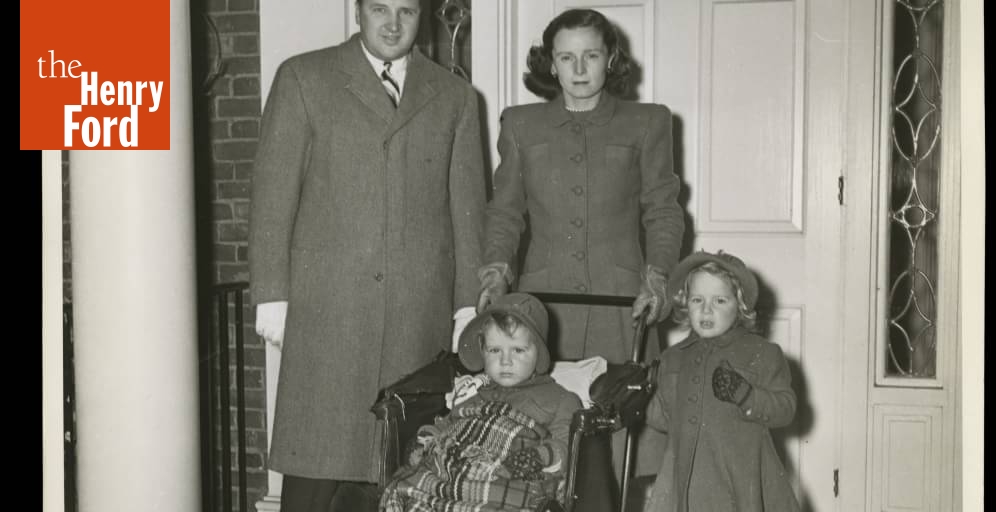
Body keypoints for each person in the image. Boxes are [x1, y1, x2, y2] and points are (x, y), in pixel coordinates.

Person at [247, 0, 486, 510]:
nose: (393, 24)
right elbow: (272, 195)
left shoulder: (456, 97)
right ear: (357, 12)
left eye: (406, 10)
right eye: (379, 8)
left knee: (402, 471)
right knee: (316, 466)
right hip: (327, 312)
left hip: (415, 316)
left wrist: (467, 304)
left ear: (422, 16)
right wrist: (272, 293)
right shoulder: (304, 78)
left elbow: (469, 215)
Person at [474, 8, 686, 509]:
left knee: (618, 445)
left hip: (623, 309)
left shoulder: (647, 122)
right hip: (545, 314)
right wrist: (496, 272)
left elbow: (663, 210)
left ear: (610, 58)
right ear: (551, 63)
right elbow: (505, 213)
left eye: (591, 55)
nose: (580, 68)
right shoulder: (521, 124)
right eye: (566, 57)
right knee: (540, 442)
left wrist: (657, 278)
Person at [380, 292, 583, 511]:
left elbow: (567, 449)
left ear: (539, 353)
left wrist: (538, 457)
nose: (505, 361)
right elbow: (447, 425)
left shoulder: (562, 400)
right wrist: (426, 439)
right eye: (495, 350)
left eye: (518, 350)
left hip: (506, 481)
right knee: (402, 488)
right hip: (454, 475)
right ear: (483, 352)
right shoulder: (475, 394)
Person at [644, 250, 801, 512]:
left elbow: (785, 409)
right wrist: (640, 398)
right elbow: (665, 418)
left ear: (739, 305)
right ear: (685, 303)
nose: (706, 309)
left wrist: (747, 396)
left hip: (739, 480)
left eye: (719, 301)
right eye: (697, 300)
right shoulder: (672, 358)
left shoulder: (762, 353)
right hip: (685, 481)